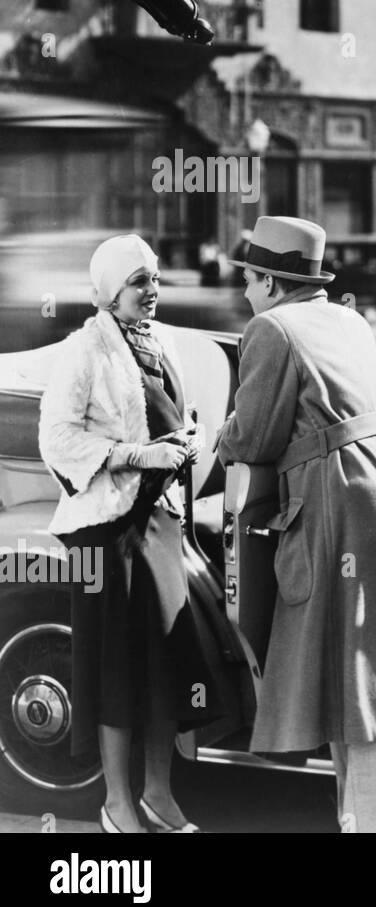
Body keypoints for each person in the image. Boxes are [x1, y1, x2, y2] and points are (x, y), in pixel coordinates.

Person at [215, 216, 376, 832]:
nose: (246, 293)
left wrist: (213, 439)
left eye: (250, 280)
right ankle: (357, 822)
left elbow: (252, 435)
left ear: (273, 284)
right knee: (358, 681)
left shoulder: (271, 327)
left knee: (360, 694)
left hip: (342, 506)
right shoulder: (350, 320)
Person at [38, 234, 226, 834]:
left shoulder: (160, 341)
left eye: (155, 279)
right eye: (139, 282)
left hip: (159, 524)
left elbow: (174, 414)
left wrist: (189, 440)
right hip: (107, 533)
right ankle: (117, 804)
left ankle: (158, 796)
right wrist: (135, 456)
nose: (152, 291)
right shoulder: (83, 350)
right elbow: (57, 440)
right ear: (109, 292)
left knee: (166, 662)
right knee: (117, 668)